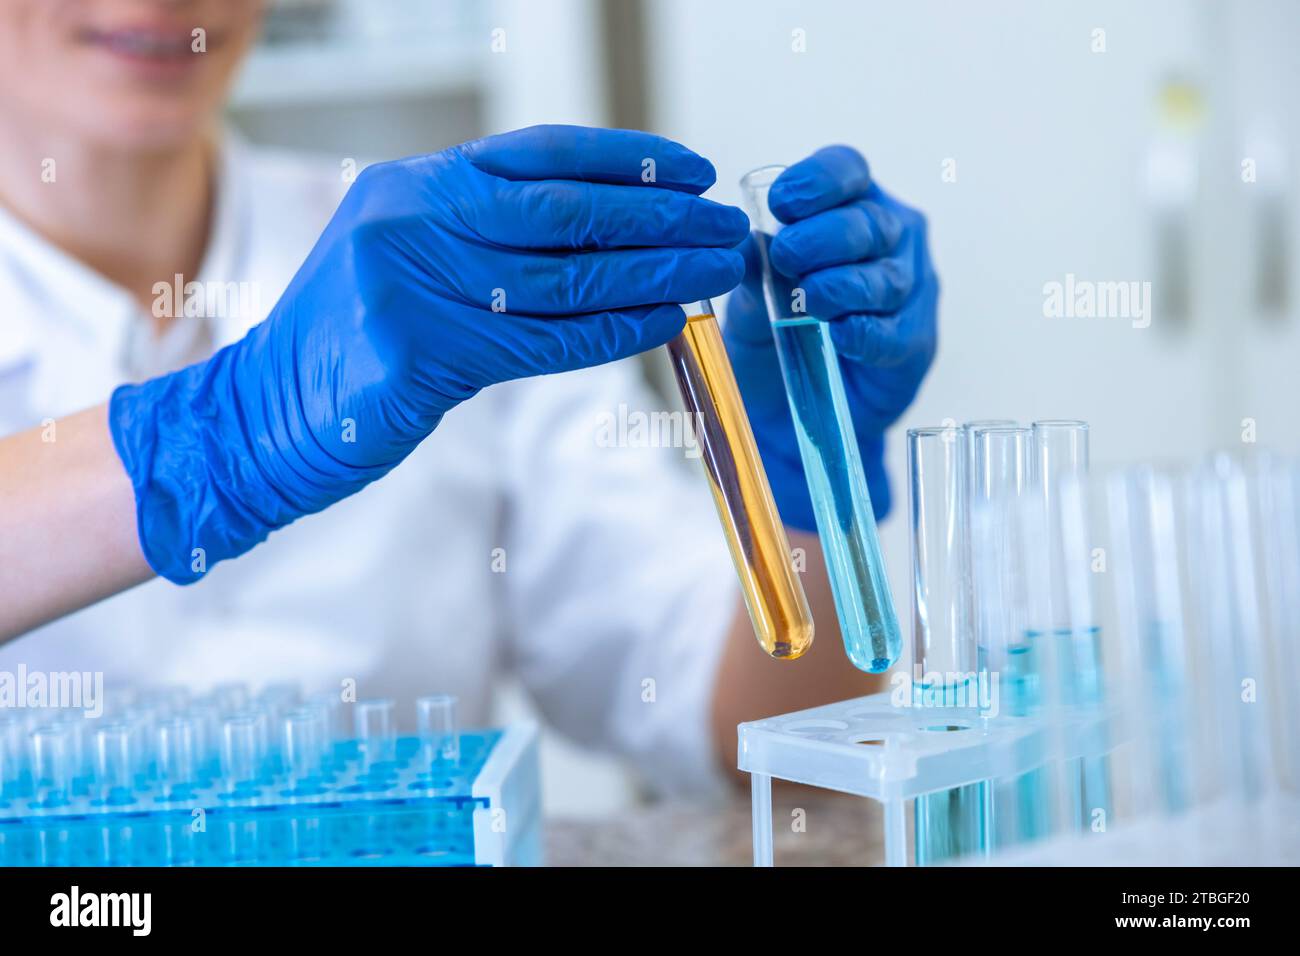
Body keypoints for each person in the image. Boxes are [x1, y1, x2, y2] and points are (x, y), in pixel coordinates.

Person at [0, 0, 936, 796]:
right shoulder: (409, 270)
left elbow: (747, 742)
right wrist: (223, 435)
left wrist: (811, 497)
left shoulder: (437, 265)